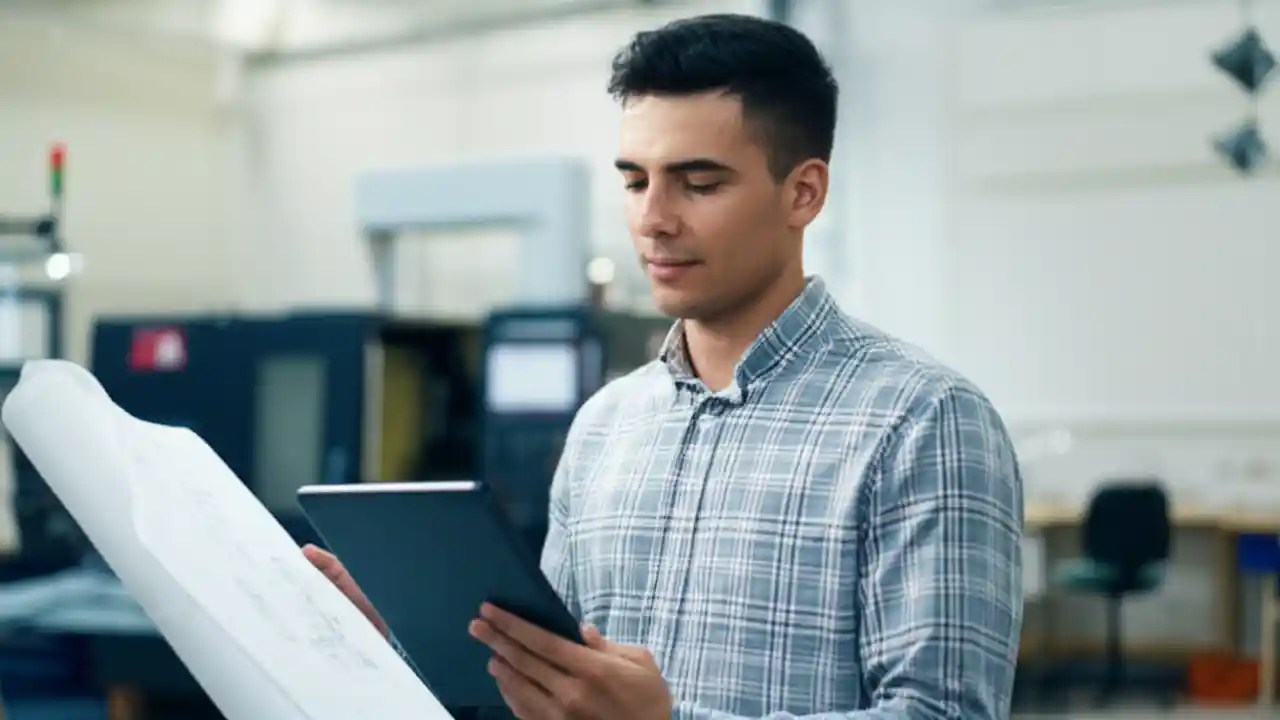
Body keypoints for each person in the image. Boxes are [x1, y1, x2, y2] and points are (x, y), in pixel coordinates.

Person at [306, 12, 1024, 719]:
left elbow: (943, 713)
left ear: (803, 193)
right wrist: (410, 643)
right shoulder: (605, 426)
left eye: (699, 184)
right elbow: (554, 681)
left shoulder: (923, 421)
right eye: (634, 181)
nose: (654, 218)